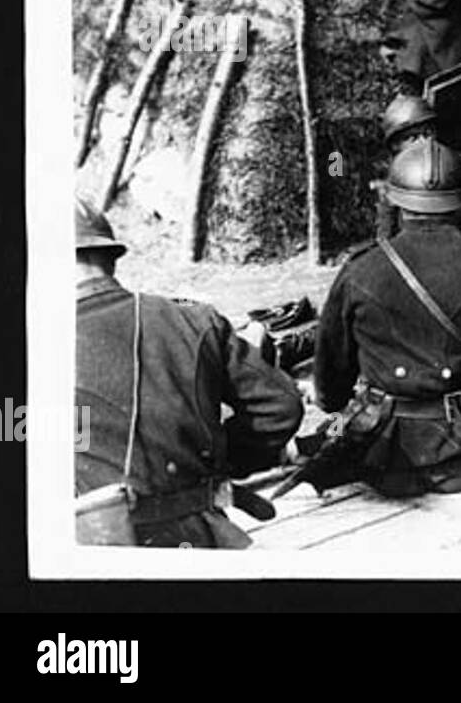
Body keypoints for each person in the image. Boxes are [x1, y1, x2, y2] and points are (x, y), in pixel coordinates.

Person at [314, 138, 461, 496]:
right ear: (460, 198)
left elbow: (330, 384)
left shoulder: (360, 271)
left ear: (395, 200)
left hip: (383, 459)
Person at [74, 195, 303, 548]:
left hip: (94, 550)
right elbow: (281, 406)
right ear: (110, 259)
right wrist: (219, 465)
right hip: (204, 540)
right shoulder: (194, 321)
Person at [374, 92, 461, 242]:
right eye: (412, 137)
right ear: (395, 145)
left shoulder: (458, 164)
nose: (423, 141)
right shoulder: (395, 175)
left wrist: (438, 207)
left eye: (428, 133)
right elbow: (385, 237)